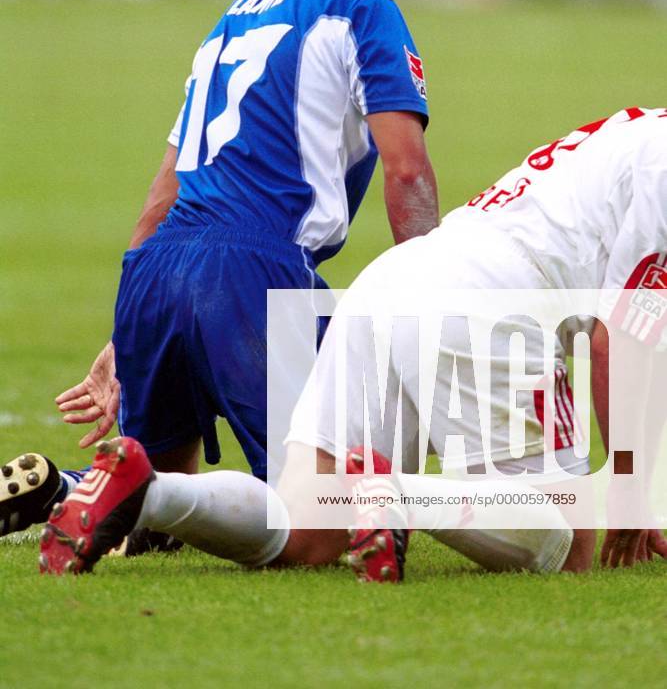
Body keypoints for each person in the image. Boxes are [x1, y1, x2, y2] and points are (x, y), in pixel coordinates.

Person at [0, 0, 439, 539]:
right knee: (319, 521)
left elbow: (162, 190)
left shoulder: (234, 16)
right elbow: (407, 168)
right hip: (252, 269)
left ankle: (65, 493)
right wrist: (436, 291)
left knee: (152, 500)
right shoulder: (360, 9)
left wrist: (128, 325)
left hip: (159, 267)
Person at [34, 107, 667, 578]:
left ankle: (148, 491)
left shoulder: (641, 132)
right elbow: (616, 344)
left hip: (394, 281)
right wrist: (636, 495)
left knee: (306, 532)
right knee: (569, 547)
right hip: (496, 301)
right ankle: (396, 496)